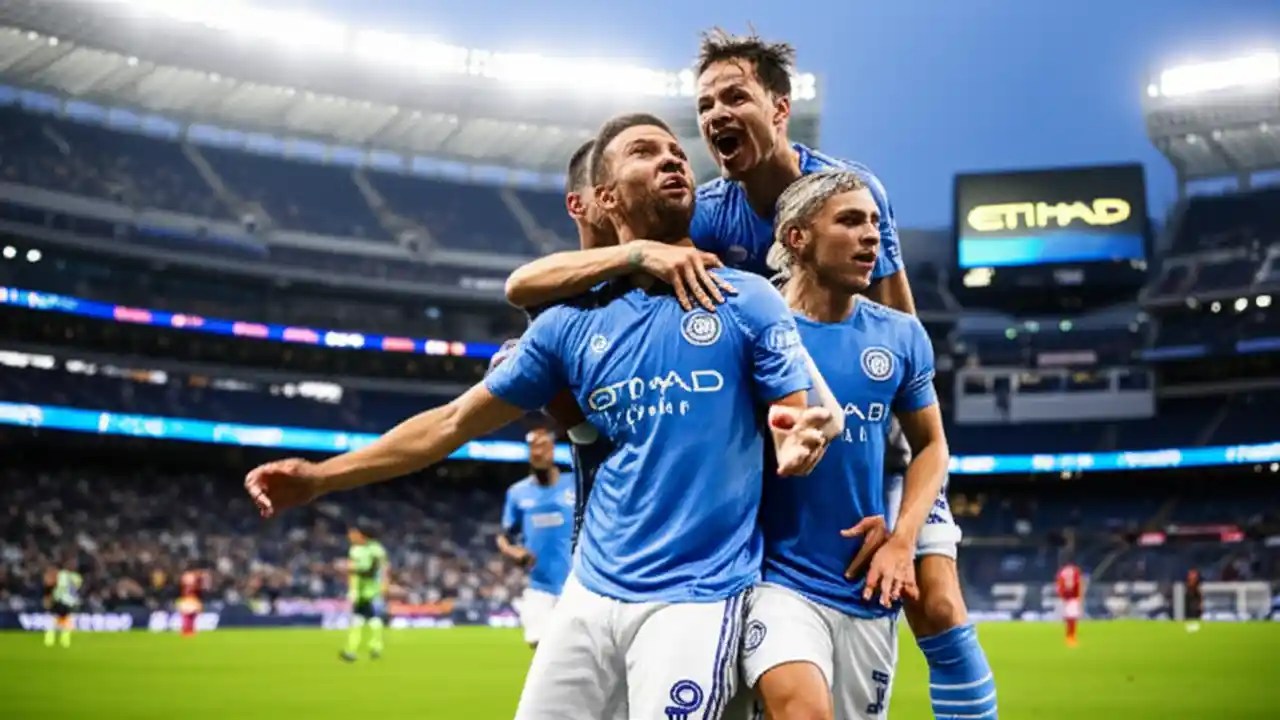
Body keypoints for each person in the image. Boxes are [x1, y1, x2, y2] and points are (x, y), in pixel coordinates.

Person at [244, 113, 838, 720]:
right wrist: (322, 478)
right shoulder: (567, 325)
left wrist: (795, 442)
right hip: (588, 595)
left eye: (676, 152)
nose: (674, 158)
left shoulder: (747, 298)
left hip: (696, 599)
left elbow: (792, 417)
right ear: (604, 198)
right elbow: (451, 423)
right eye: (645, 151)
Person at [503, 29, 996, 720]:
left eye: (735, 97)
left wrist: (903, 513)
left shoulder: (848, 193)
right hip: (776, 443)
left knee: (936, 600)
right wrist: (620, 260)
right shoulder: (704, 212)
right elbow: (596, 271)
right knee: (753, 665)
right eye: (704, 105)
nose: (715, 117)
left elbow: (895, 331)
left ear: (781, 107)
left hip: (874, 438)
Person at [729, 171, 950, 720]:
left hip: (864, 585)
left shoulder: (900, 336)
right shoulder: (749, 325)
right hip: (772, 578)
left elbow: (932, 447)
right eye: (850, 220)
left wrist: (902, 540)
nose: (870, 235)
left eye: (875, 222)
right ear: (798, 237)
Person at [497, 426, 576, 649]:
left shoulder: (576, 483)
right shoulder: (517, 492)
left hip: (577, 585)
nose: (538, 452)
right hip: (540, 587)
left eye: (543, 446)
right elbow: (503, 537)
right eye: (533, 448)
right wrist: (514, 551)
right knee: (541, 649)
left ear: (552, 450)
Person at [341, 526, 389, 662]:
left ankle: (353, 650)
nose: (351, 537)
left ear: (362, 535)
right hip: (360, 590)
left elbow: (374, 570)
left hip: (369, 590)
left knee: (362, 618)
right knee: (366, 618)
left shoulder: (374, 549)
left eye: (354, 534)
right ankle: (372, 647)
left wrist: (354, 570)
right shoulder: (355, 550)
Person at [44, 561, 82, 649]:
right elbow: (50, 584)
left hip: (65, 601)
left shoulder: (71, 576)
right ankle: (56, 638)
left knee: (62, 620)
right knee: (59, 620)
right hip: (59, 600)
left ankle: (57, 639)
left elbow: (75, 589)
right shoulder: (68, 575)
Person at [1056, 559, 1084, 647]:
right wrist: (1079, 596)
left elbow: (1059, 583)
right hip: (1073, 597)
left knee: (1069, 617)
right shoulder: (1075, 571)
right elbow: (1079, 583)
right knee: (1072, 617)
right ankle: (1071, 637)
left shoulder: (1062, 571)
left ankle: (1070, 636)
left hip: (1065, 597)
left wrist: (1061, 594)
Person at [1183, 568, 1202, 633]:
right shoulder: (1182, 592)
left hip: (1197, 620)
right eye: (1190, 577)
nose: (1193, 579)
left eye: (1195, 578)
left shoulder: (1199, 592)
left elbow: (1200, 609)